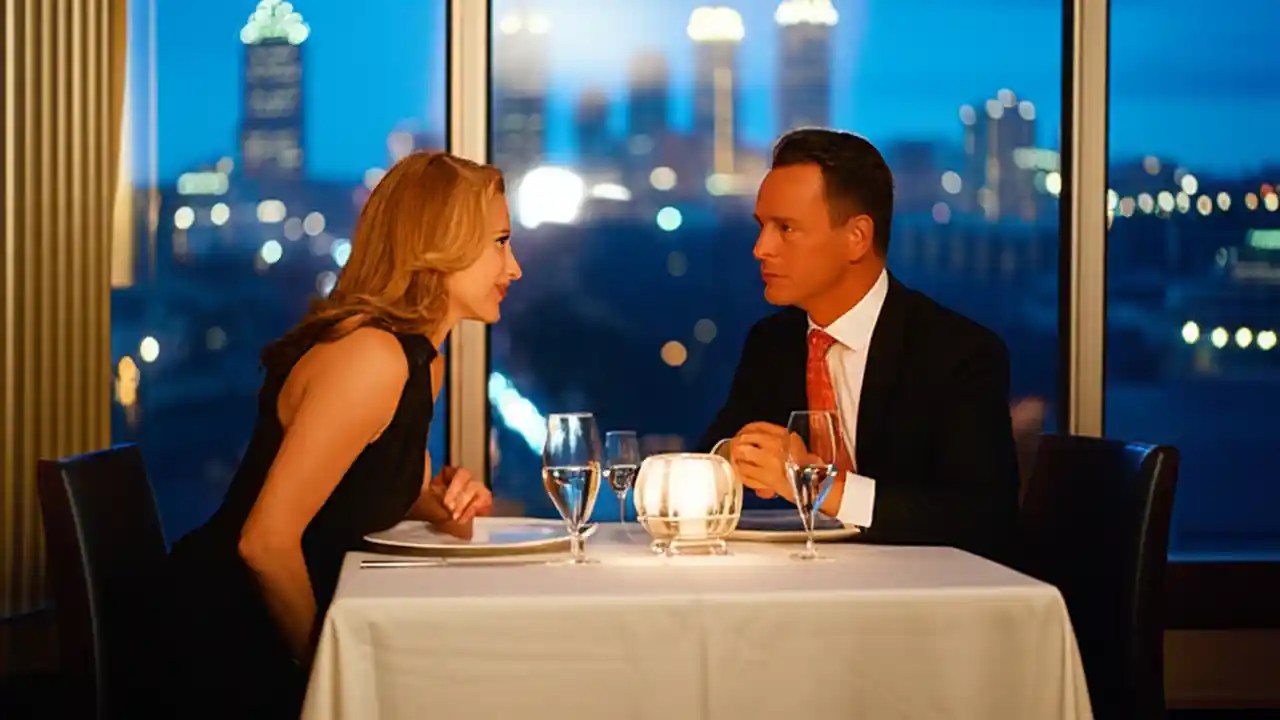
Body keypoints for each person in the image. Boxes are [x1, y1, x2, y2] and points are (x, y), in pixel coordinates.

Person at [159, 151, 521, 717]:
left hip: (285, 627)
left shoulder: (421, 363)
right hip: (225, 641)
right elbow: (264, 543)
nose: (513, 267)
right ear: (438, 245)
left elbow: (350, 491)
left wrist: (438, 503)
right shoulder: (371, 358)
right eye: (500, 242)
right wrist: (328, 677)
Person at [698, 129, 1018, 560]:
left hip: (921, 590)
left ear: (857, 238)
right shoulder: (771, 342)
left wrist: (817, 484)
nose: (760, 248)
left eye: (786, 228)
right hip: (800, 583)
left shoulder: (958, 352)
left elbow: (982, 518)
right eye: (761, 227)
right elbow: (713, 452)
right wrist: (734, 457)